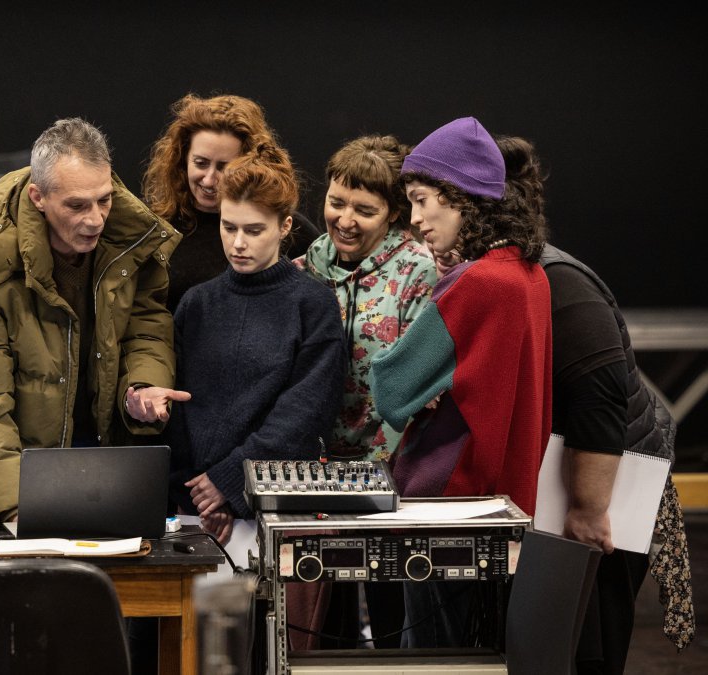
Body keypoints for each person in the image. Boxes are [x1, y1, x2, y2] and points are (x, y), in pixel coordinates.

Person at [493, 135, 692, 673]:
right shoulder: (498, 275)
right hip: (570, 487)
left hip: (607, 493)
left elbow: (600, 399)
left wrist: (588, 508)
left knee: (585, 649)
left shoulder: (557, 278)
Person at [0, 117, 190, 527]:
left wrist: (140, 385)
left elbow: (146, 327)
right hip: (21, 465)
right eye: (76, 205)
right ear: (38, 197)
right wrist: (13, 506)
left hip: (108, 457)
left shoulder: (132, 244)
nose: (95, 219)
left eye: (104, 200)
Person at [370, 116, 552, 648]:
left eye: (423, 198)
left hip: (446, 504)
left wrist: (425, 388)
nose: (416, 217)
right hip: (506, 505)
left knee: (427, 656)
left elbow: (391, 388)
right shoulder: (529, 275)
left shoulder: (473, 282)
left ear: (463, 195)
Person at [295, 135, 437, 649]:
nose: (345, 219)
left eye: (364, 209)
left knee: (389, 609)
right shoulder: (311, 262)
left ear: (394, 213)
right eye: (336, 202)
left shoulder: (417, 270)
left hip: (389, 469)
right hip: (317, 467)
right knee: (324, 629)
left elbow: (419, 383)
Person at [167, 143, 345, 542]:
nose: (238, 244)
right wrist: (198, 495)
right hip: (195, 510)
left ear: (284, 227)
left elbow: (304, 414)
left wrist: (230, 485)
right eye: (229, 227)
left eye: (253, 230)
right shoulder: (197, 303)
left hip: (277, 511)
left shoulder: (313, 305)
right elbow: (177, 408)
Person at [141, 94, 275, 311]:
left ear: (252, 164)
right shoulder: (149, 223)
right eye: (201, 163)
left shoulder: (273, 225)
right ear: (183, 158)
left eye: (224, 167)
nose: (210, 180)